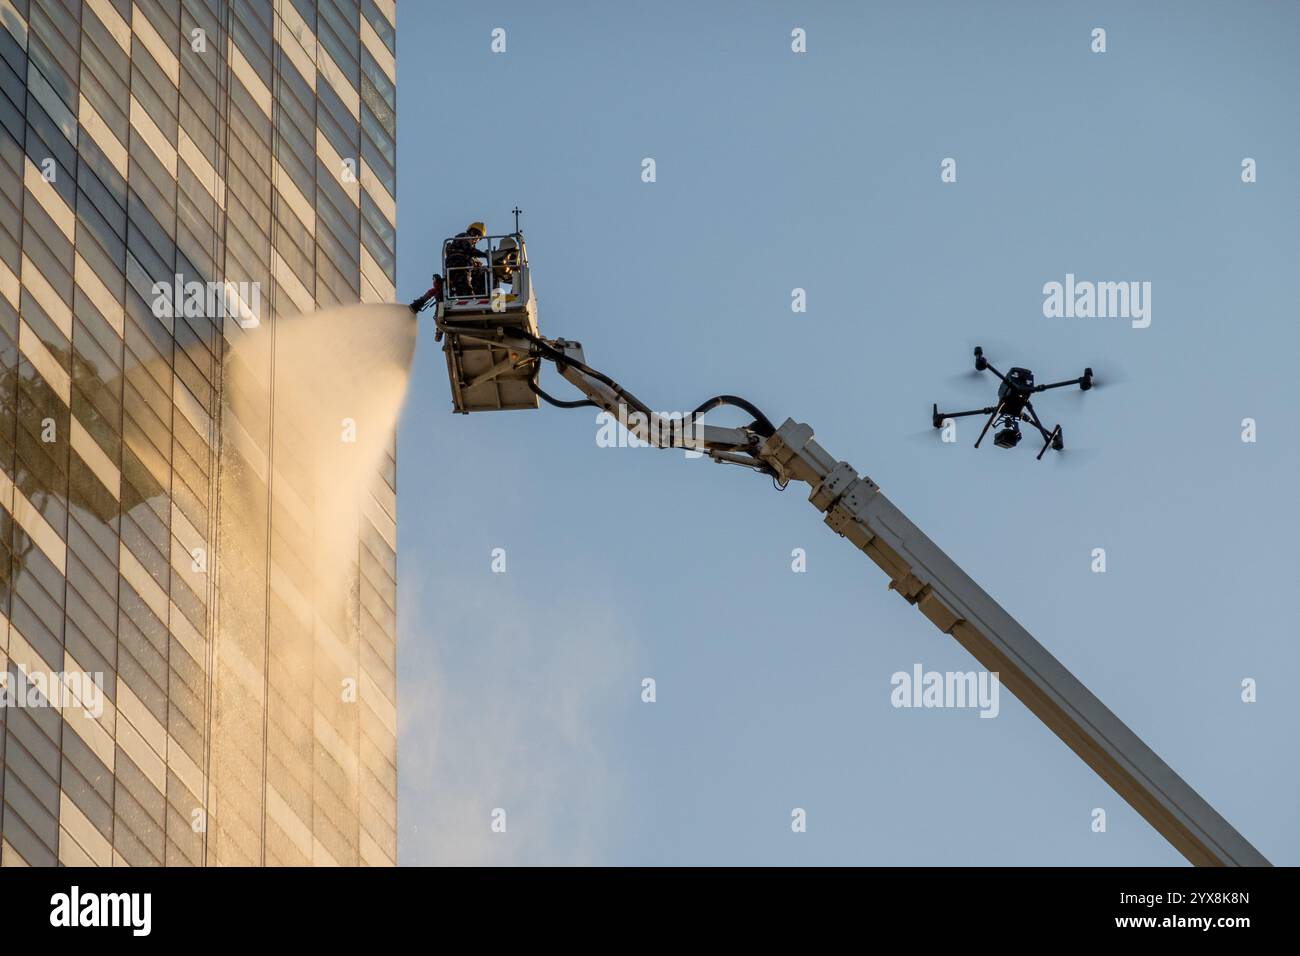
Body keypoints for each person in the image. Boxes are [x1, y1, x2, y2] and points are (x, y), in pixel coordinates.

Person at [445, 221, 488, 296]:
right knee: (465, 287)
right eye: (475, 233)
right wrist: (485, 255)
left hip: (461, 265)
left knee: (482, 273)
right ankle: (469, 296)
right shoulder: (464, 237)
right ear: (470, 231)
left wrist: (478, 264)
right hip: (458, 264)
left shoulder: (468, 246)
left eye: (479, 236)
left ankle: (480, 293)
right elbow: (469, 250)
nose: (476, 237)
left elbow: (470, 254)